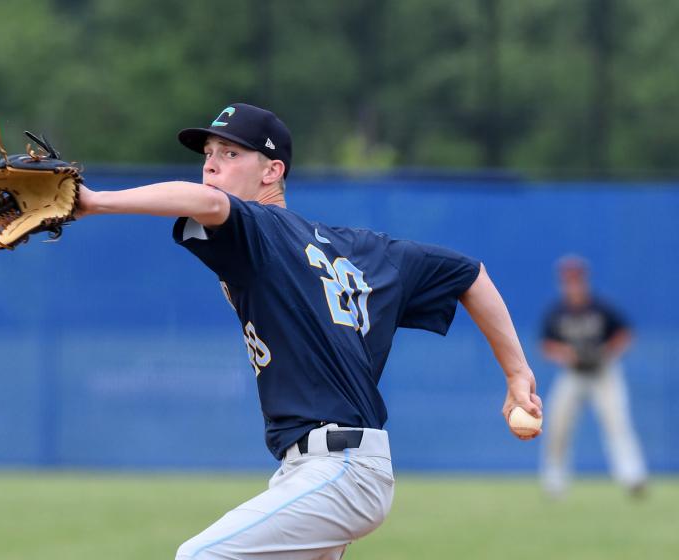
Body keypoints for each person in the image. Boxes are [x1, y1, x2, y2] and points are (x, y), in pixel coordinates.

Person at [76, 103, 542, 559]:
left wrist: (95, 201)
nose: (212, 164)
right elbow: (469, 274)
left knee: (201, 556)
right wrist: (517, 373)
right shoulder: (358, 250)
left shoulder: (260, 227)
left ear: (271, 171)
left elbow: (210, 203)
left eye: (230, 153)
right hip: (323, 470)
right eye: (208, 154)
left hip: (339, 467)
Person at [540, 255, 647, 498]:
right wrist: (565, 353)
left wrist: (607, 352)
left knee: (617, 423)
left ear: (584, 280)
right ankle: (554, 480)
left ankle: (632, 477)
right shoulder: (557, 311)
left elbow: (625, 334)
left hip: (604, 373)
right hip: (573, 374)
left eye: (576, 279)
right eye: (568, 279)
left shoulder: (601, 307)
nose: (573, 284)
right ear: (562, 282)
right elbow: (545, 345)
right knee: (558, 425)